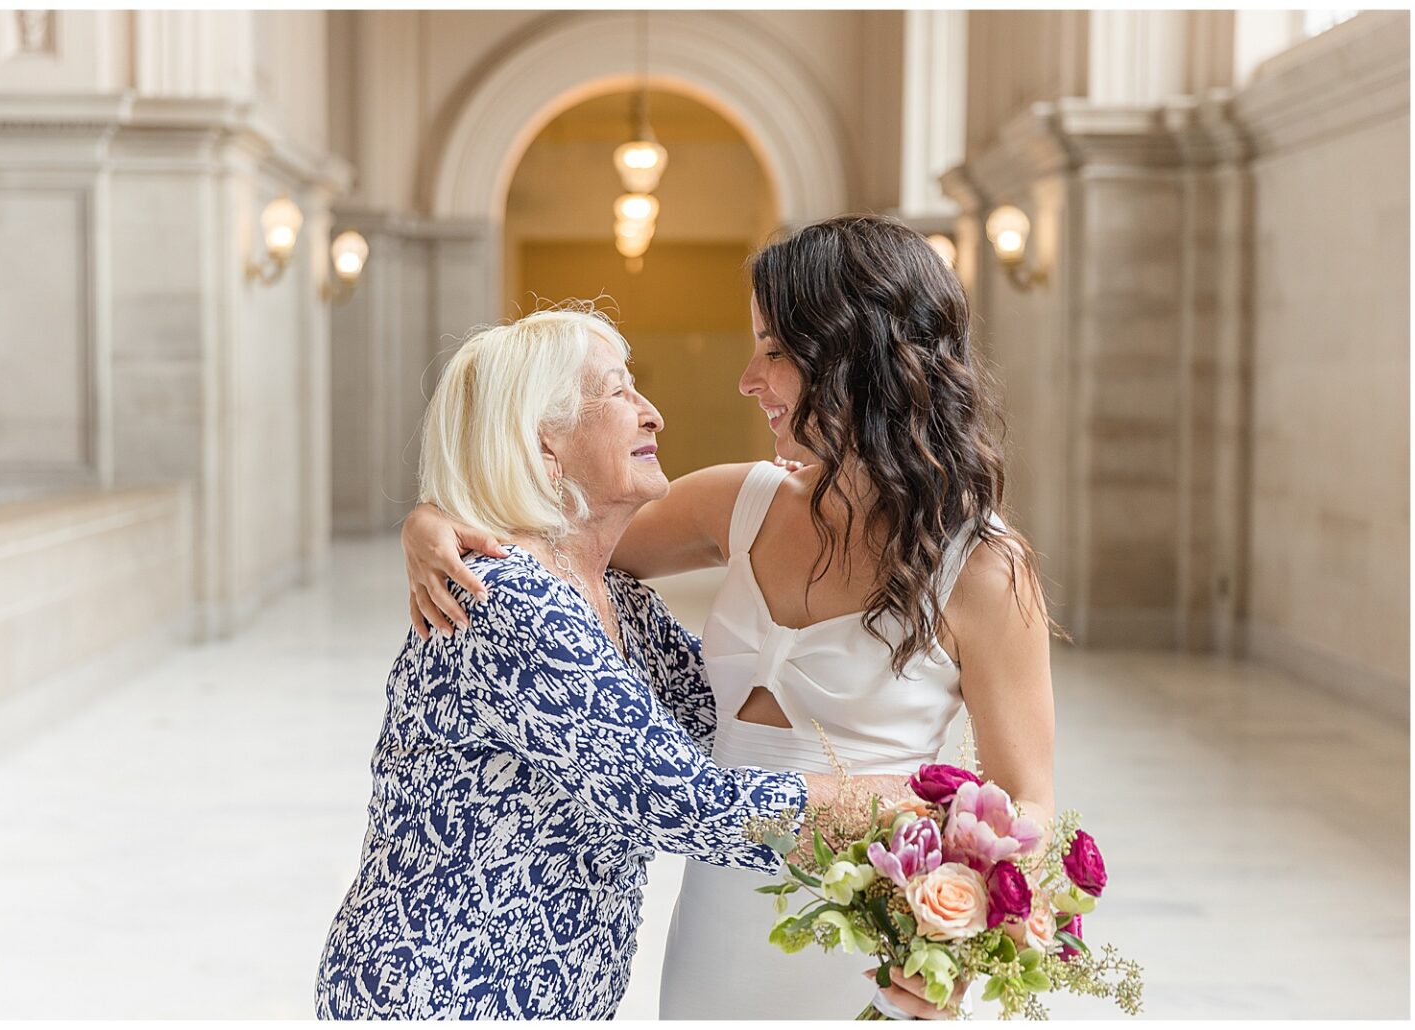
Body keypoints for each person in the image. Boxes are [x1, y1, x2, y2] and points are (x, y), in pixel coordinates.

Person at [401, 216, 1059, 1020]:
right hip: (714, 933)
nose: (749, 378)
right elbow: (550, 539)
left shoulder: (985, 568)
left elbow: (1027, 802)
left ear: (858, 355)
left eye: (775, 349)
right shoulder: (737, 504)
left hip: (864, 947)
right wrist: (433, 520)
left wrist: (958, 942)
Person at [315, 308, 908, 1020]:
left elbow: (731, 712)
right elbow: (685, 801)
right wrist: (907, 801)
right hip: (444, 992)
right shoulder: (507, 601)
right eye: (620, 392)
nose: (653, 414)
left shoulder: (613, 597)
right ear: (544, 445)